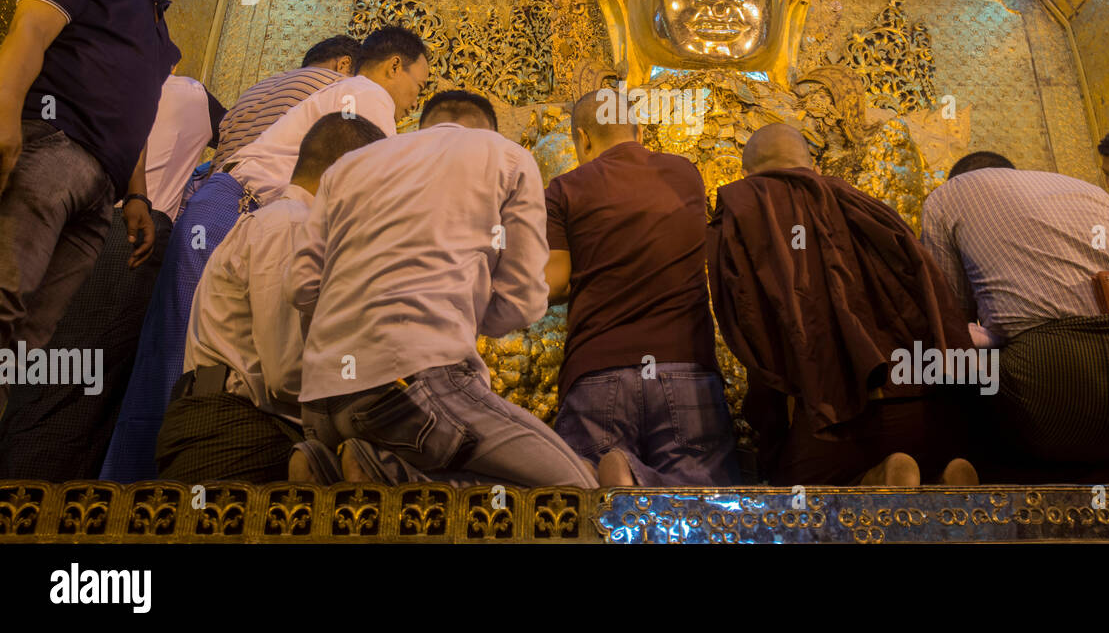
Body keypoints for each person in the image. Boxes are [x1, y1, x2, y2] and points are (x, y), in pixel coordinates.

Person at [99, 26, 428, 481]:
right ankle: (138, 492)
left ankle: (132, 488)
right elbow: (379, 183)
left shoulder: (335, 91)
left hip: (228, 201)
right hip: (237, 204)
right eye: (419, 84)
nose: (415, 99)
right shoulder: (370, 97)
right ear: (396, 66)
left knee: (181, 351)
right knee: (177, 360)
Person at [291, 91, 597, 489]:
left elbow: (300, 286)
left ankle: (328, 467)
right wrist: (464, 313)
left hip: (321, 402)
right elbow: (523, 300)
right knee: (576, 492)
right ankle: (387, 473)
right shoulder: (505, 155)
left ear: (421, 127)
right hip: (413, 388)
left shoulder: (347, 167)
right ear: (488, 128)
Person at [708, 123, 979, 487]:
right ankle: (942, 475)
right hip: (925, 405)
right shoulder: (864, 204)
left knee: (794, 489)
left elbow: (756, 332)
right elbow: (932, 289)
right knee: (926, 464)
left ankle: (876, 479)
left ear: (747, 174)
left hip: (838, 418)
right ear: (813, 168)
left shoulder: (748, 206)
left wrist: (768, 416)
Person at [0, 0, 186, 374]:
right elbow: (29, 32)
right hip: (51, 147)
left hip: (100, 192)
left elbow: (138, 111)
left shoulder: (157, 27)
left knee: (25, 343)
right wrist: (5, 115)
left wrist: (138, 194)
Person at [0, 70, 221, 477]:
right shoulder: (190, 93)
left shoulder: (90, 85)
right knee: (87, 383)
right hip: (134, 236)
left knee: (41, 369)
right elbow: (238, 135)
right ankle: (42, 498)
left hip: (74, 227)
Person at [920, 154, 1109, 484]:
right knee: (1079, 426)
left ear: (955, 178)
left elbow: (950, 314)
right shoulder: (1089, 191)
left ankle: (971, 475)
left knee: (942, 366)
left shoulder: (946, 196)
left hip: (1053, 381)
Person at [155, 114, 386, 483]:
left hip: (248, 422)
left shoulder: (288, 223)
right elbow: (288, 373)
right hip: (235, 429)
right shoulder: (292, 225)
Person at [544, 88, 737, 488]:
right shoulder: (685, 174)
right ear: (638, 131)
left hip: (598, 367)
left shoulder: (564, 189)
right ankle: (640, 479)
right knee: (699, 502)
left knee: (595, 512)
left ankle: (623, 473)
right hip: (684, 366)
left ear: (582, 138)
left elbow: (556, 283)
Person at [208, 34, 361, 173]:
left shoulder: (257, 88)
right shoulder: (340, 86)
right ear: (344, 64)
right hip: (265, 196)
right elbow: (351, 152)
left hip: (215, 190)